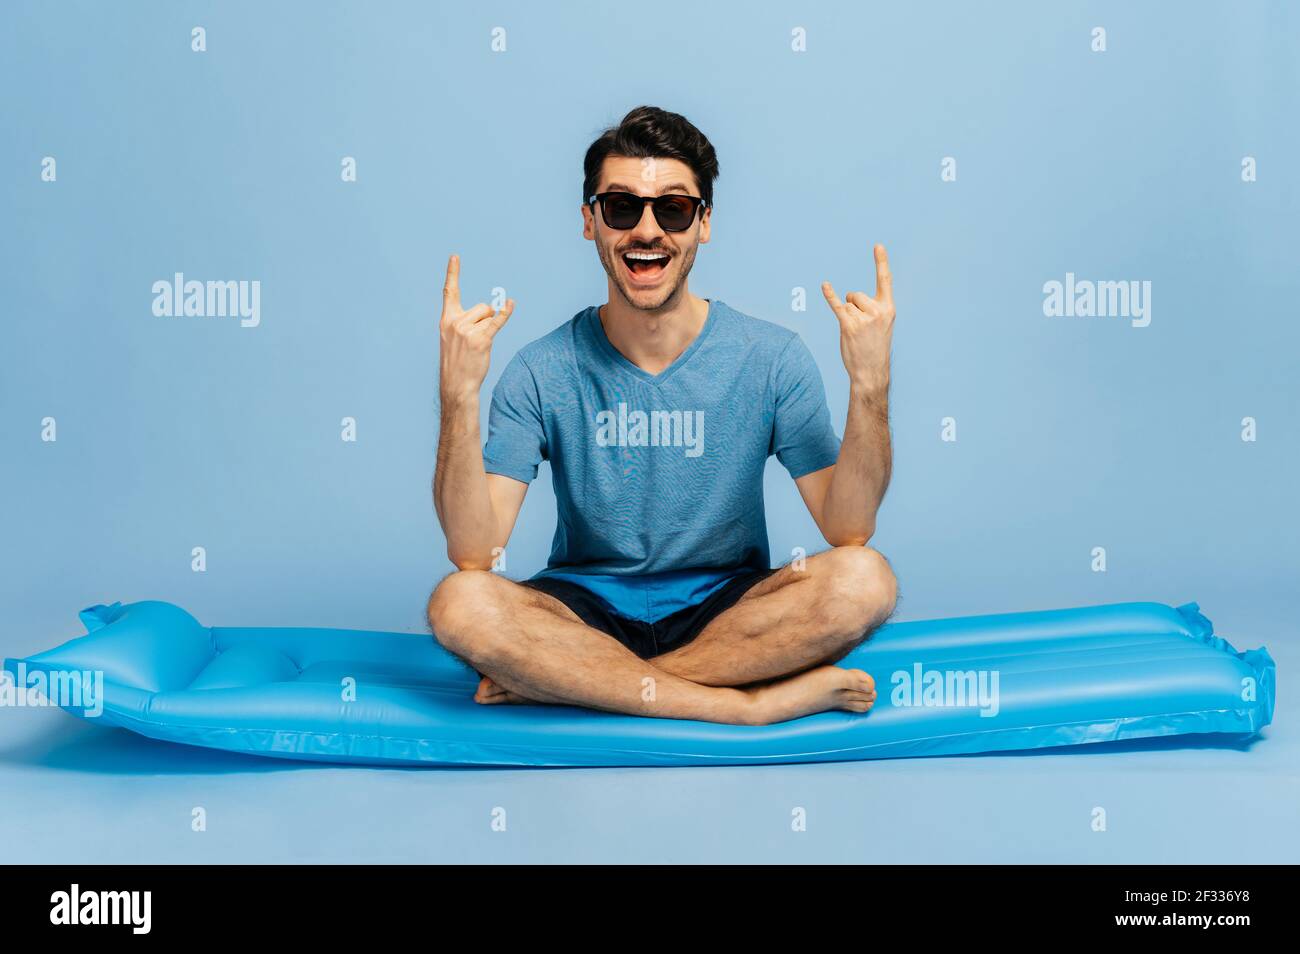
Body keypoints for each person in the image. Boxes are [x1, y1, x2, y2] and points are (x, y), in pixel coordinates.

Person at [428, 106, 897, 725]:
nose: (646, 230)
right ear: (590, 222)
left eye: (672, 209)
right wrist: (458, 396)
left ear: (704, 224)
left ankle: (573, 684)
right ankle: (742, 707)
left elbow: (849, 529)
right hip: (583, 610)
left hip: (728, 610)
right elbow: (473, 550)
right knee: (459, 602)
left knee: (866, 579)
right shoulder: (542, 368)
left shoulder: (771, 356)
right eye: (622, 208)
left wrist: (870, 385)